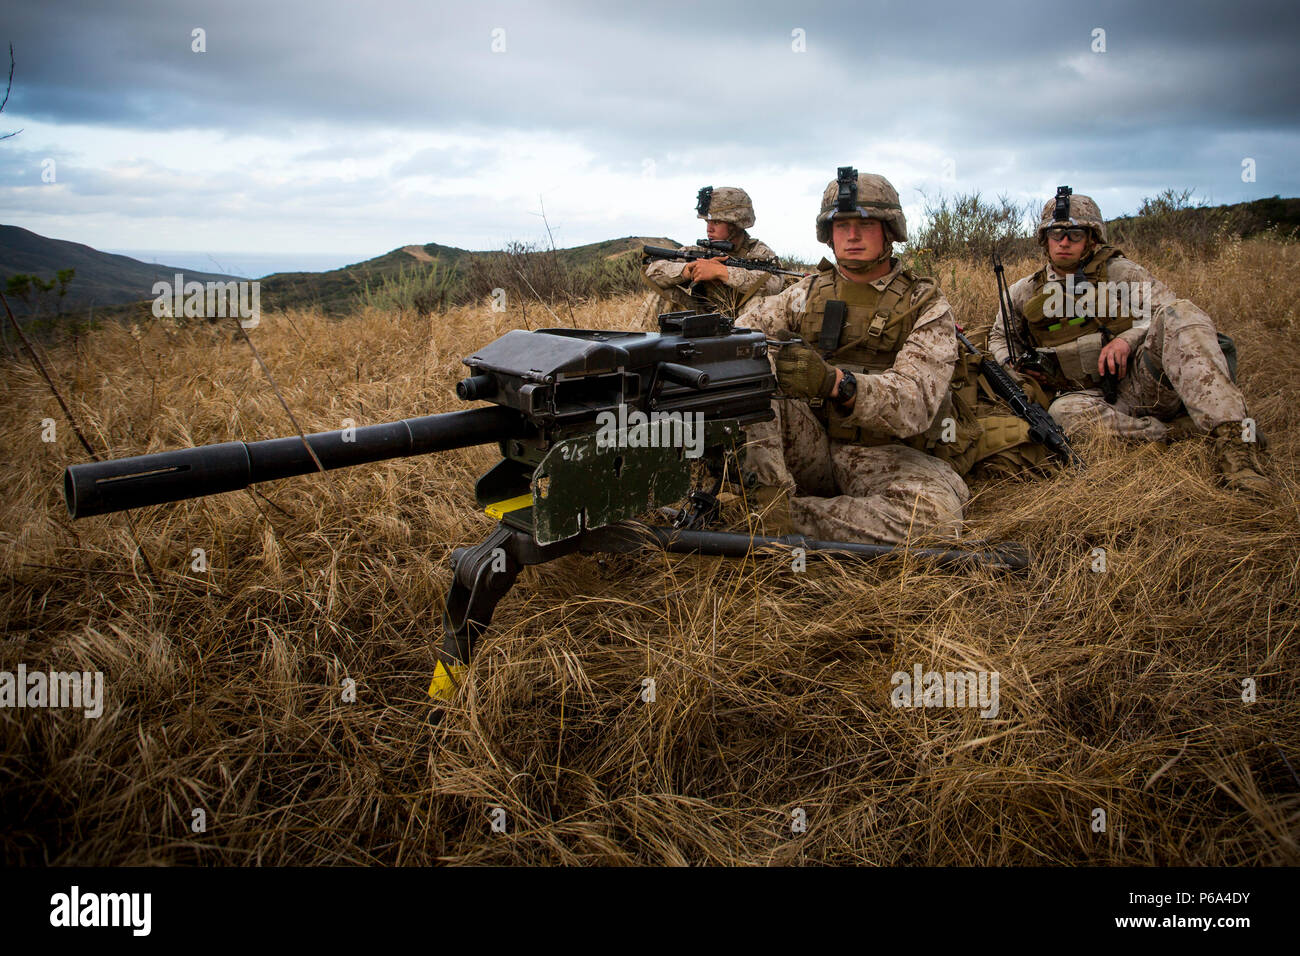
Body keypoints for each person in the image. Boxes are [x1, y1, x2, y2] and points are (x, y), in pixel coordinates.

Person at [735, 169, 974, 545]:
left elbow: (915, 403)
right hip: (809, 443)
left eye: (865, 224)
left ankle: (777, 518)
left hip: (883, 454)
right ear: (828, 234)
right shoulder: (802, 294)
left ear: (889, 231)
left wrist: (836, 383)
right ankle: (767, 502)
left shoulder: (924, 305)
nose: (852, 235)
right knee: (746, 369)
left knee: (935, 518)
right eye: (841, 225)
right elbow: (741, 337)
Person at [988, 188, 1271, 495]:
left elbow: (1169, 313)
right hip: (1087, 396)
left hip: (1141, 381)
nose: (1064, 242)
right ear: (1045, 240)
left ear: (1092, 238)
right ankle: (1174, 434)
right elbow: (1000, 337)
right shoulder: (1024, 291)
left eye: (1074, 234)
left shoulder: (1121, 273)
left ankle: (1236, 446)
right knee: (1061, 416)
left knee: (1183, 313)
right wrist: (1012, 366)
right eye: (1056, 234)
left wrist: (1127, 340)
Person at [636, 186, 789, 326]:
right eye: (707, 222)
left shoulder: (759, 252)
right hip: (702, 317)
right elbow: (652, 272)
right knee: (662, 294)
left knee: (760, 305)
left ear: (735, 223)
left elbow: (773, 284)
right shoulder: (700, 251)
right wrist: (688, 270)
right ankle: (634, 349)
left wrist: (722, 272)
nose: (709, 228)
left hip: (743, 324)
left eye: (716, 222)